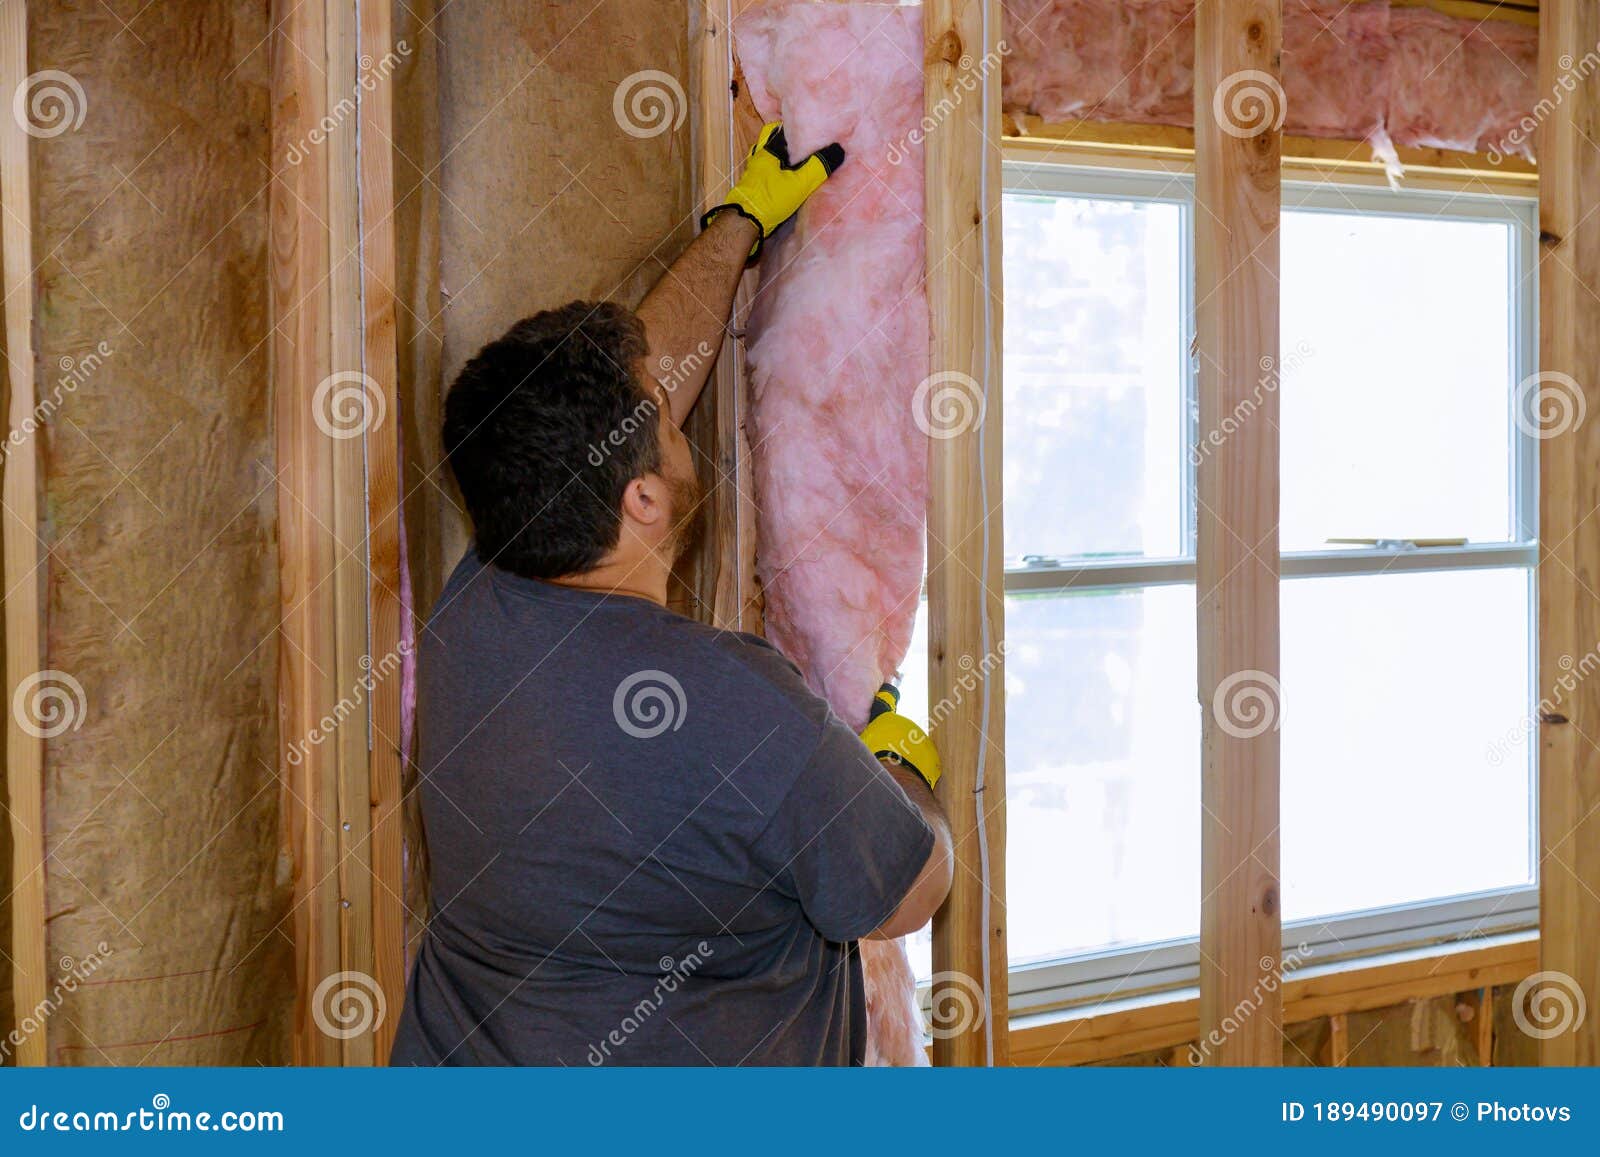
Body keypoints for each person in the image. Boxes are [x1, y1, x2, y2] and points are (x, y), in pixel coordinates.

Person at [389, 124, 953, 1066]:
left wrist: (738, 224)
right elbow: (907, 894)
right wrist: (899, 777)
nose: (669, 397)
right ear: (641, 494)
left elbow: (627, 402)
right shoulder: (731, 701)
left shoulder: (477, 601)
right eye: (659, 409)